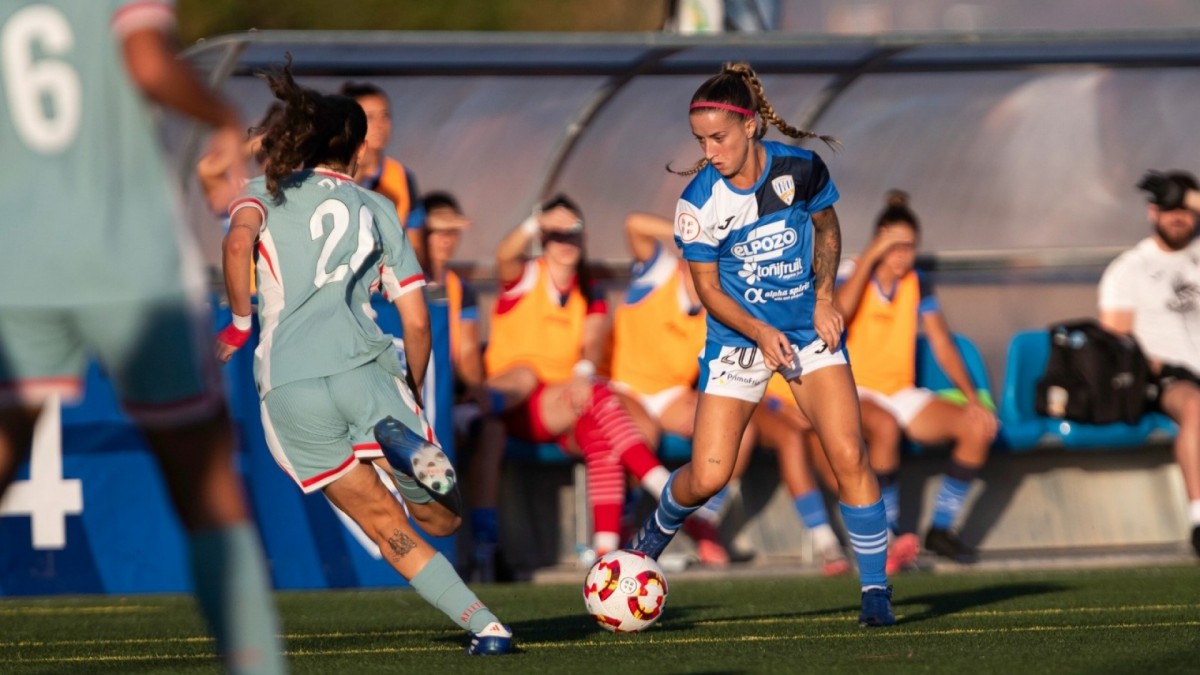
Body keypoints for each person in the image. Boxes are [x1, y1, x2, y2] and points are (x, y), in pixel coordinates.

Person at [0, 2, 285, 673]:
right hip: (128, 260)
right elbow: (147, 60)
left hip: (18, 263)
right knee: (207, 485)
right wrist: (219, 116)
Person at [218, 62, 512, 656]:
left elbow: (236, 242)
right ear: (355, 150)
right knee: (442, 520)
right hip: (366, 370)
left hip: (289, 384)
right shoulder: (377, 209)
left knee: (382, 524)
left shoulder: (262, 194)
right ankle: (416, 463)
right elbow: (416, 319)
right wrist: (412, 386)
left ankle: (488, 628)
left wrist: (239, 323)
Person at [629, 61, 895, 627]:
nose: (710, 150)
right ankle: (647, 544)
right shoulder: (699, 203)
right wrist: (759, 331)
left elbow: (827, 226)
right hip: (739, 341)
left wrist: (825, 295)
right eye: (700, 139)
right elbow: (706, 289)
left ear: (750, 127)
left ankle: (875, 593)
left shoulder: (801, 170)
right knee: (709, 476)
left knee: (848, 454)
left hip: (804, 332)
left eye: (718, 138)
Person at [485, 196, 722, 565]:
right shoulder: (527, 275)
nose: (566, 243)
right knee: (569, 385)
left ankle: (607, 551)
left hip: (571, 405)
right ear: (543, 238)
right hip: (523, 406)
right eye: (556, 235)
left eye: (573, 235)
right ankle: (662, 484)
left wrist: (582, 372)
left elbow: (593, 342)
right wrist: (535, 221)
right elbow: (504, 255)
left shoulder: (589, 292)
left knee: (605, 441)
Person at [835, 190, 998, 569]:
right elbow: (838, 315)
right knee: (886, 427)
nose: (902, 255)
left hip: (900, 391)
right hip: (853, 390)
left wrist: (972, 397)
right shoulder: (850, 271)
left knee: (978, 426)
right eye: (894, 246)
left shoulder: (917, 283)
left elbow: (942, 343)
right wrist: (871, 256)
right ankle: (886, 533)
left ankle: (940, 529)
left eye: (909, 247)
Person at [610, 212, 751, 567]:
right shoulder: (661, 272)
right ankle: (624, 529)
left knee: (739, 426)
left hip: (672, 395)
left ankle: (704, 519)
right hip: (628, 388)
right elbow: (633, 225)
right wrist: (692, 232)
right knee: (643, 432)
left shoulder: (721, 304)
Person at [1100, 169, 1200, 559]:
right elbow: (1115, 342)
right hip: (1167, 378)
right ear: (1152, 212)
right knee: (1195, 406)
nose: (1179, 217)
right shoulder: (1131, 268)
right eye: (1170, 207)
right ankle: (1198, 519)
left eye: (1186, 209)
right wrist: (1150, 365)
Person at [417, 191, 509, 581]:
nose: (446, 240)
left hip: (448, 397)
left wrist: (477, 387)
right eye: (438, 231)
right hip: (412, 399)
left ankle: (485, 544)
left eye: (452, 232)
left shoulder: (460, 288)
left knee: (490, 429)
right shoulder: (398, 278)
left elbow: (468, 350)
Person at [752, 374, 850, 575]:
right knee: (792, 438)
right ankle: (826, 542)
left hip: (806, 403)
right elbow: (736, 374)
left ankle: (882, 536)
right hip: (755, 400)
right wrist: (779, 406)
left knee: (840, 459)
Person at [339, 81, 425, 267]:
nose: (380, 125)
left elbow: (415, 243)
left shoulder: (402, 176)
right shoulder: (332, 173)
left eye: (385, 116)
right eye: (369, 117)